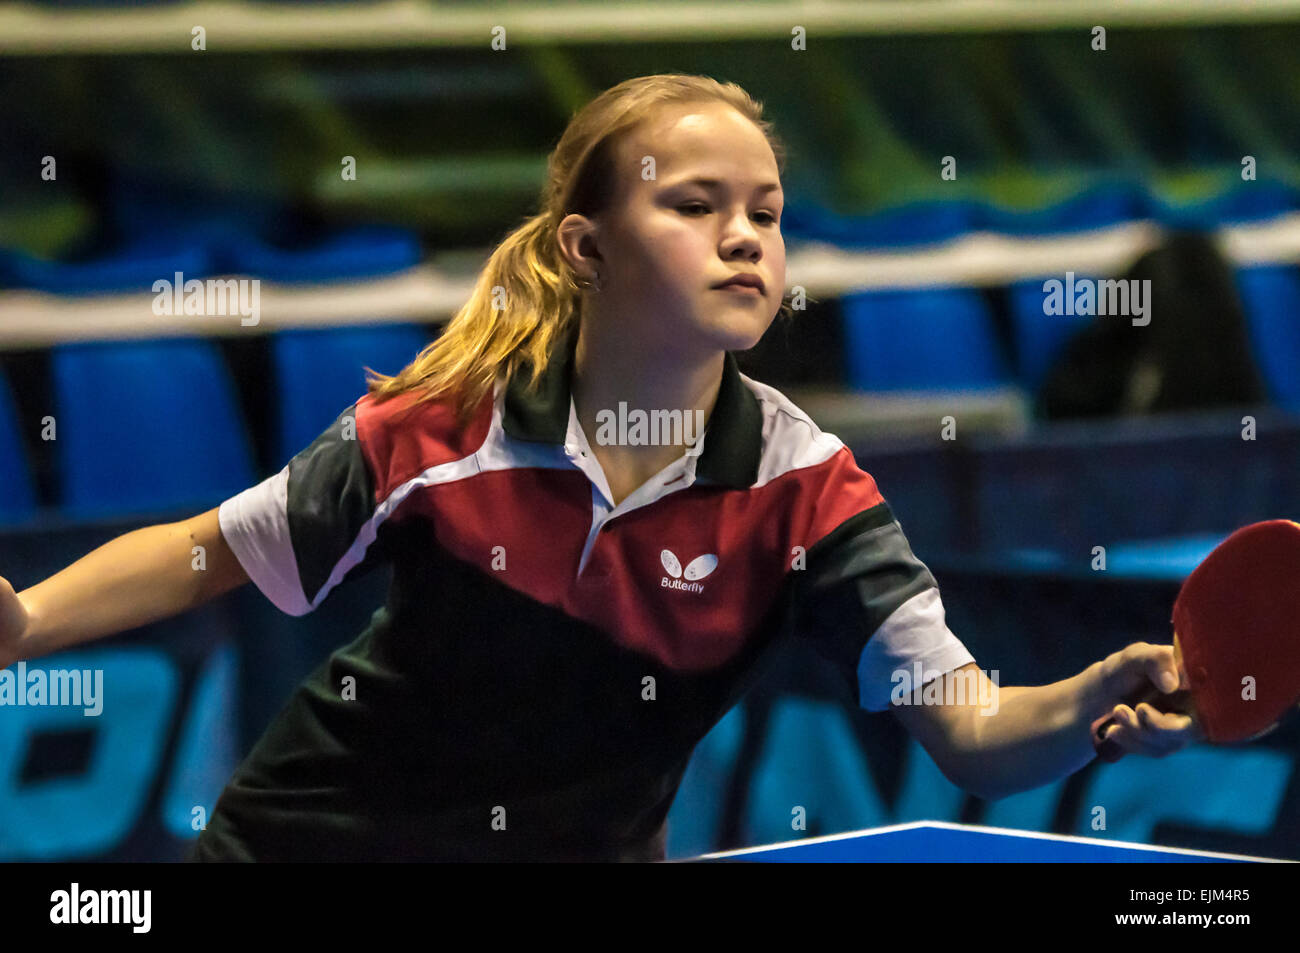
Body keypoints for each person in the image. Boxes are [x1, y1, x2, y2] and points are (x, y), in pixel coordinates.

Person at [0, 74, 1199, 863]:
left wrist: (1086, 701)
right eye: (695, 204)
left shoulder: (807, 492)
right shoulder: (443, 427)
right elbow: (209, 550)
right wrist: (30, 617)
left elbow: (971, 728)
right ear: (586, 246)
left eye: (767, 213)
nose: (745, 235)